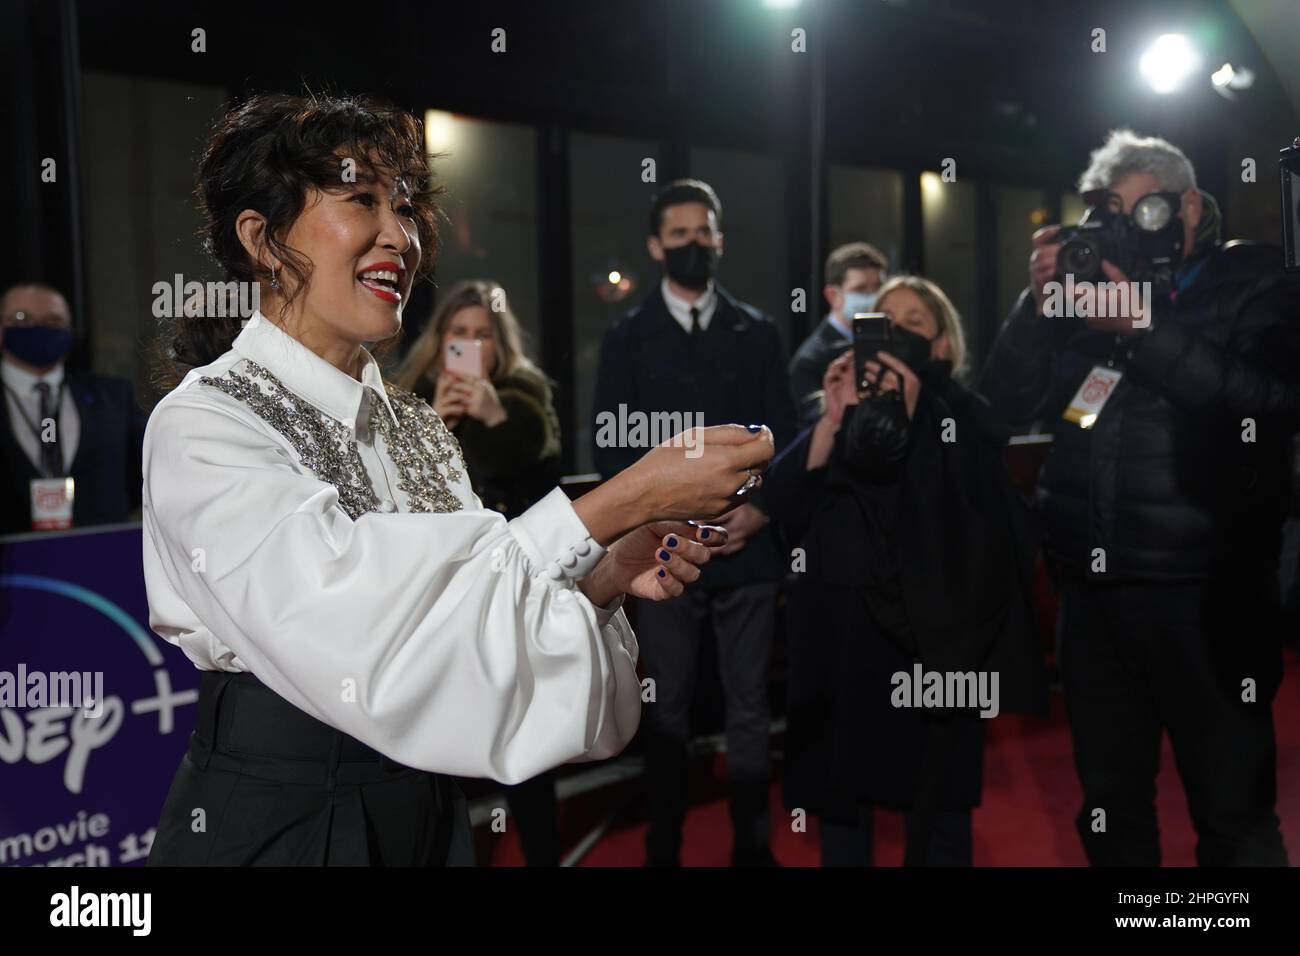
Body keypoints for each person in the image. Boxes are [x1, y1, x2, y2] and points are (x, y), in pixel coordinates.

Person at [142, 93, 773, 867]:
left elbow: (468, 622)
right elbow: (362, 633)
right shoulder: (204, 424)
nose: (399, 236)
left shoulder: (412, 425)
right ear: (262, 238)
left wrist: (603, 575)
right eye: (362, 200)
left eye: (405, 207)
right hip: (282, 822)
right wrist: (621, 500)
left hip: (427, 807)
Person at [980, 129, 1300, 866]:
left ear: (1188, 204)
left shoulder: (1255, 278)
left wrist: (1145, 330)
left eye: (1142, 208)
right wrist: (1037, 306)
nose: (1125, 227)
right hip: (1093, 599)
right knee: (1110, 812)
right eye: (1109, 214)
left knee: (1234, 817)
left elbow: (1266, 404)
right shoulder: (1088, 306)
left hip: (1209, 600)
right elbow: (1002, 404)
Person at [765, 275, 1047, 866]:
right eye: (886, 321)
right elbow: (783, 505)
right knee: (842, 805)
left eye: (915, 322)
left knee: (939, 809)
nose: (898, 332)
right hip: (843, 641)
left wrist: (912, 412)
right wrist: (832, 420)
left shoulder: (966, 420)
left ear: (943, 344)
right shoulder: (841, 411)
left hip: (932, 647)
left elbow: (973, 532)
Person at [591, 178, 796, 866]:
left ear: (719, 238)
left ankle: (753, 850)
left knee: (748, 711)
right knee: (668, 709)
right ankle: (665, 848)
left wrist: (757, 510)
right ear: (657, 245)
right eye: (678, 234)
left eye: (702, 231)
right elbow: (611, 443)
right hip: (665, 551)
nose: (692, 244)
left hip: (748, 552)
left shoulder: (758, 330)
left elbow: (784, 434)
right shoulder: (626, 338)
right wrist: (664, 514)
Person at [394, 279, 565, 865]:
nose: (469, 346)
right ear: (439, 342)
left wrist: (496, 420)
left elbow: (547, 496)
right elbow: (395, 507)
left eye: (481, 336)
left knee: (523, 741)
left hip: (510, 591)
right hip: (433, 596)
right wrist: (433, 431)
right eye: (458, 335)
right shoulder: (404, 402)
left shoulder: (525, 401)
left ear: (499, 345)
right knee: (433, 747)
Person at [0, 283, 146, 535]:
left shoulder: (113, 398)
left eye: (54, 320)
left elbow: (141, 475)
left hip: (100, 555)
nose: (38, 327)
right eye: (21, 318)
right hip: (12, 564)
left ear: (70, 330)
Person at [787, 242, 888, 428]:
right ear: (833, 295)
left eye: (878, 288)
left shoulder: (889, 342)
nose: (873, 297)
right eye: (860, 289)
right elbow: (811, 431)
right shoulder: (810, 362)